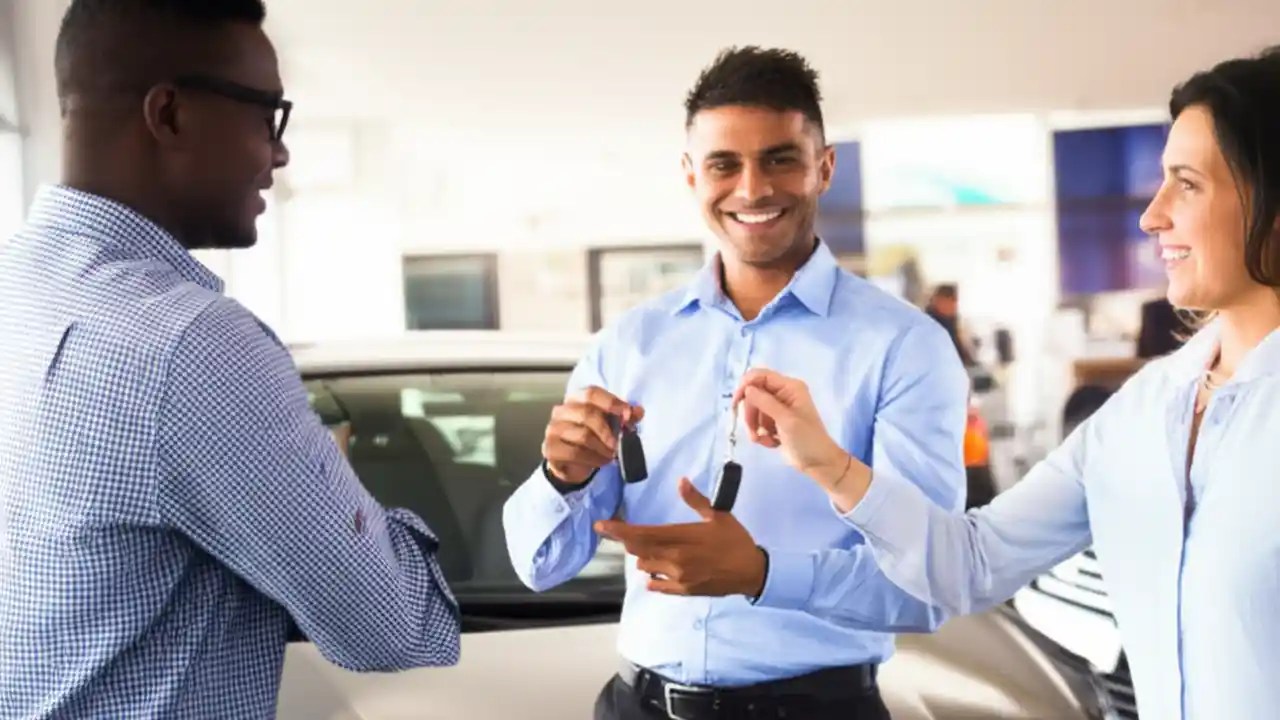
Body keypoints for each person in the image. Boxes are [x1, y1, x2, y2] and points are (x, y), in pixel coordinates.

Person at [732, 47, 1280, 720]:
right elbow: (972, 564)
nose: (1152, 215)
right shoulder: (1145, 409)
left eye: (1188, 184)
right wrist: (834, 468)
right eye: (1160, 181)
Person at [0, 2, 460, 718]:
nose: (278, 153)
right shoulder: (191, 343)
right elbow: (393, 626)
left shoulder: (16, 289)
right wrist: (325, 476)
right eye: (267, 116)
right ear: (171, 114)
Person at [503, 46, 969, 720]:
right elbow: (540, 565)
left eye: (780, 158)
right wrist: (561, 478)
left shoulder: (903, 347)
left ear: (824, 167)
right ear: (692, 176)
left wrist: (760, 573)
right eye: (725, 164)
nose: (752, 190)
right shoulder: (629, 343)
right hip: (638, 705)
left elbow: (930, 582)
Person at [924, 283, 977, 367]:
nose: (954, 307)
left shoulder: (950, 321)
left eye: (955, 302)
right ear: (939, 301)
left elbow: (958, 349)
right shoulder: (929, 324)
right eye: (951, 302)